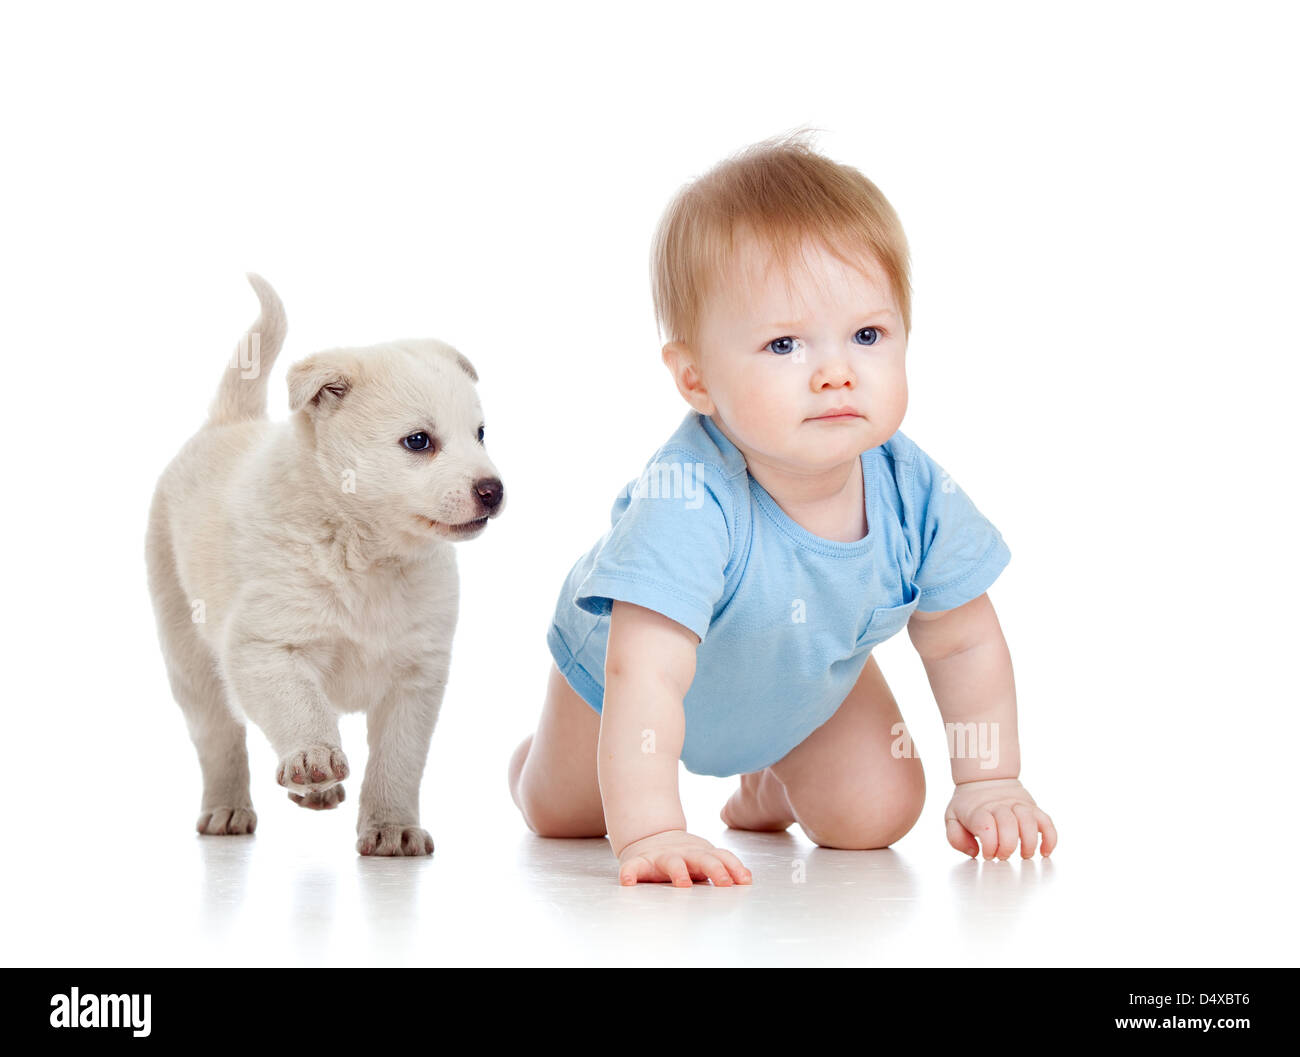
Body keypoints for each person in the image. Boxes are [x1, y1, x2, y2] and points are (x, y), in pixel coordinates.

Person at [508, 129, 1058, 886]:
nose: (836, 371)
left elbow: (963, 642)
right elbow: (647, 673)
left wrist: (990, 778)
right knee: (565, 816)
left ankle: (770, 779)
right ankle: (535, 760)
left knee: (877, 814)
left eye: (867, 334)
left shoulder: (915, 492)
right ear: (697, 379)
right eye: (784, 345)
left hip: (800, 684)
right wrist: (656, 829)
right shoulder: (690, 501)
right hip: (618, 687)